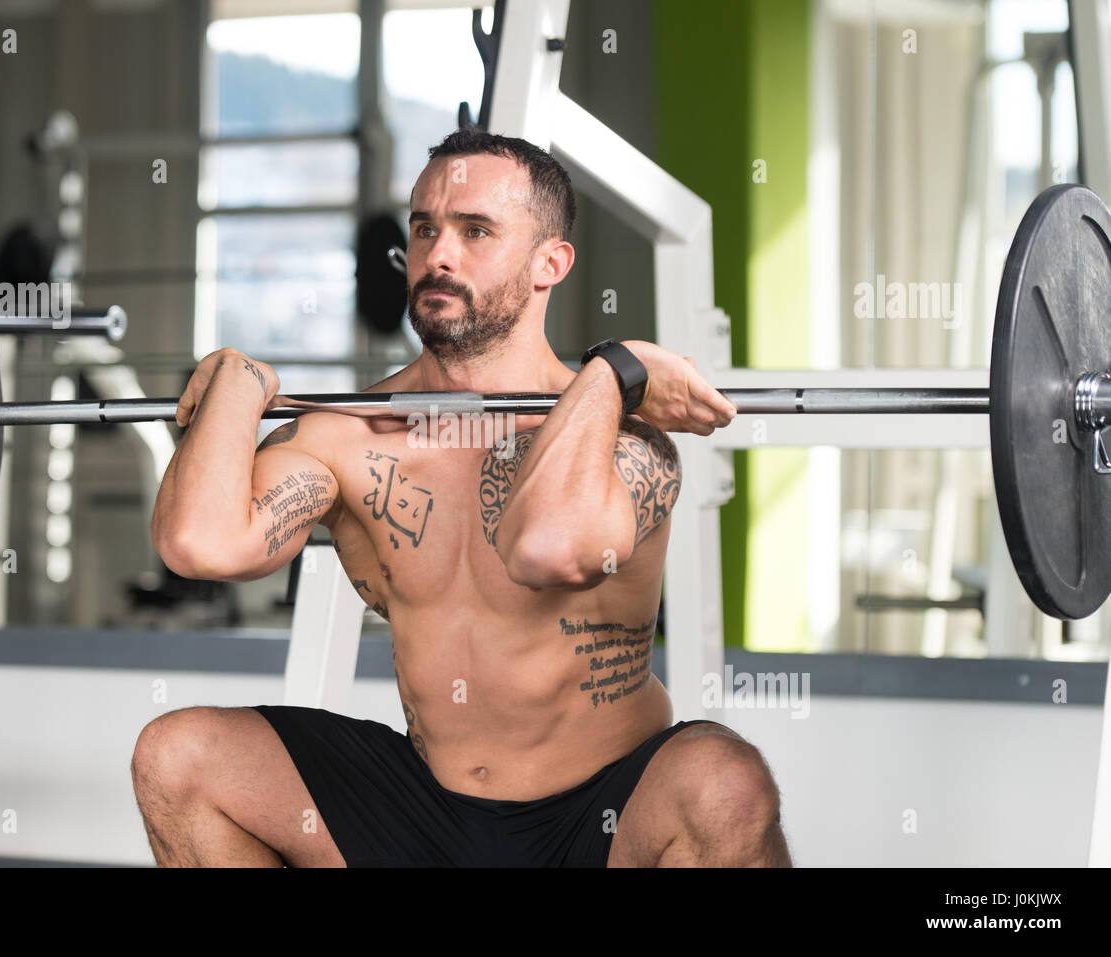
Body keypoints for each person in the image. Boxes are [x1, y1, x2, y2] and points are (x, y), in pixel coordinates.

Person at [132, 128, 791, 867]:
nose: (438, 254)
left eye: (475, 230)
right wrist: (235, 382)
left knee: (726, 783)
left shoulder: (623, 435)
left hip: (601, 817)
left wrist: (612, 371)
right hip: (427, 809)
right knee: (177, 757)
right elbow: (199, 543)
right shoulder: (349, 433)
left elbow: (547, 546)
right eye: (425, 228)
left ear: (552, 263)